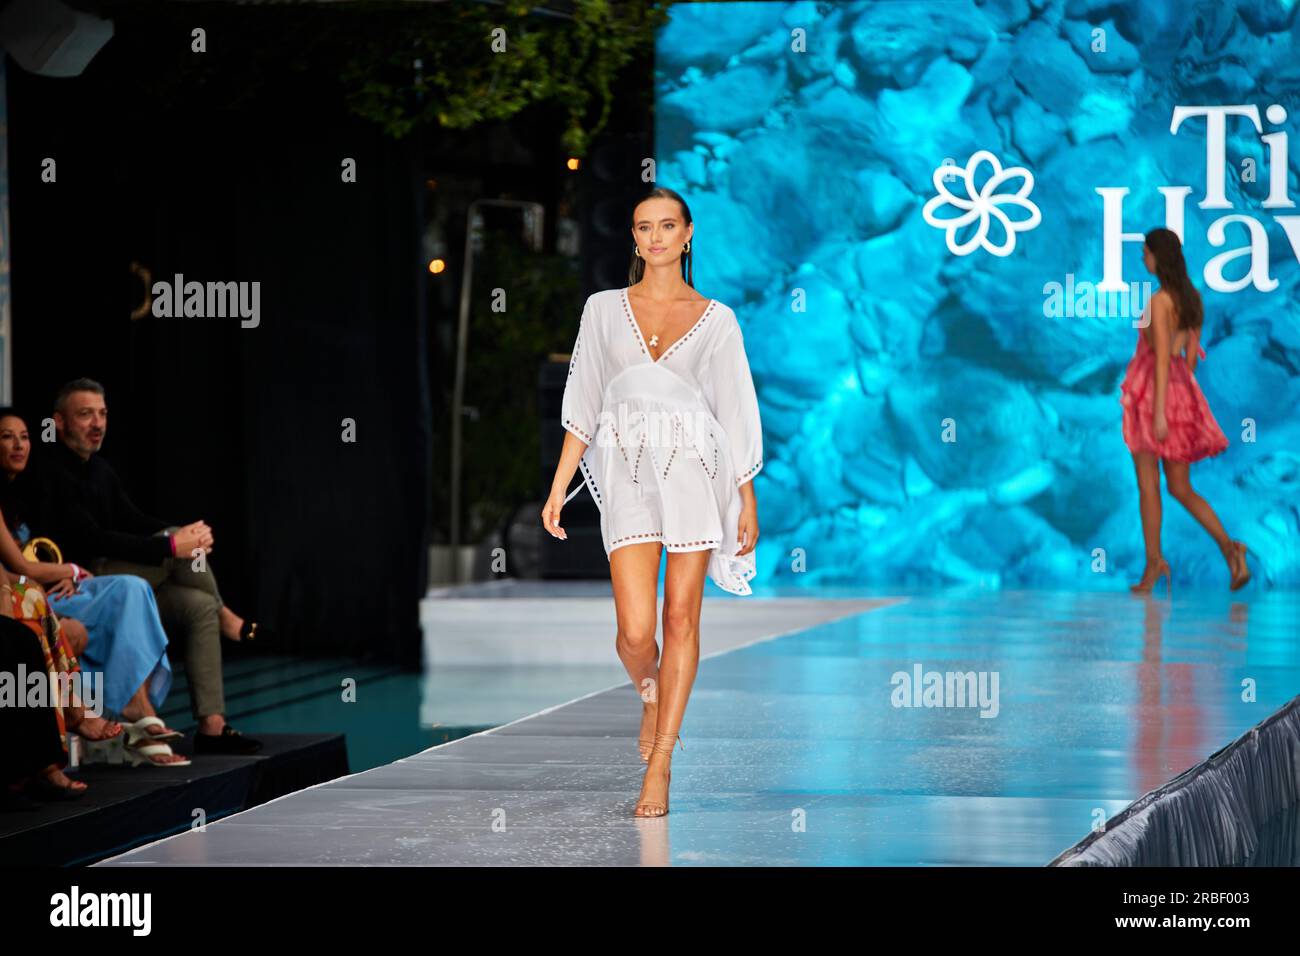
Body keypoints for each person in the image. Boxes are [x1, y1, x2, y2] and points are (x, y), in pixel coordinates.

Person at [541, 187, 763, 817]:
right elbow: (583, 400)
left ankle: (661, 760)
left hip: (696, 471)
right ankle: (649, 693)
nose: (656, 236)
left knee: (680, 620)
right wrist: (559, 486)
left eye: (668, 225)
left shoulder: (717, 319)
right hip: (627, 472)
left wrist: (746, 497)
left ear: (688, 234)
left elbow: (735, 410)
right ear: (635, 238)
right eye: (645, 227)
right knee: (636, 632)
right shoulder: (603, 310)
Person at [39, 379, 263, 754]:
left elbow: (135, 520)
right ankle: (229, 617)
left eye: (102, 414)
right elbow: (95, 539)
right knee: (174, 543)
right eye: (85, 415)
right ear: (59, 422)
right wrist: (173, 543)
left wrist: (185, 534)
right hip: (85, 586)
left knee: (199, 606)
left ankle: (211, 724)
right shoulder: (48, 472)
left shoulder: (100, 469)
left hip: (124, 580)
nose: (97, 423)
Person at [0, 409, 187, 765]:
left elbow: (49, 547)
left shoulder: (28, 489)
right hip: (28, 593)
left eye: (24, 437)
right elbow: (19, 568)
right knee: (72, 631)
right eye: (7, 437)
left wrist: (63, 572)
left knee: (132, 588)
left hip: (56, 586)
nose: (19, 445)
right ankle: (125, 716)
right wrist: (63, 569)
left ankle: (136, 705)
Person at [1119, 227, 1250, 593]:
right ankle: (1230, 548)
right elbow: (1189, 361)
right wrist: (1177, 400)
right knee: (1180, 487)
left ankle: (1154, 565)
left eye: (1145, 253)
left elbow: (1160, 358)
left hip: (1153, 396)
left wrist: (1159, 412)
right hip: (1179, 392)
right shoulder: (1193, 299)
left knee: (1149, 487)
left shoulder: (1160, 302)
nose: (1142, 259)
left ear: (1158, 257)